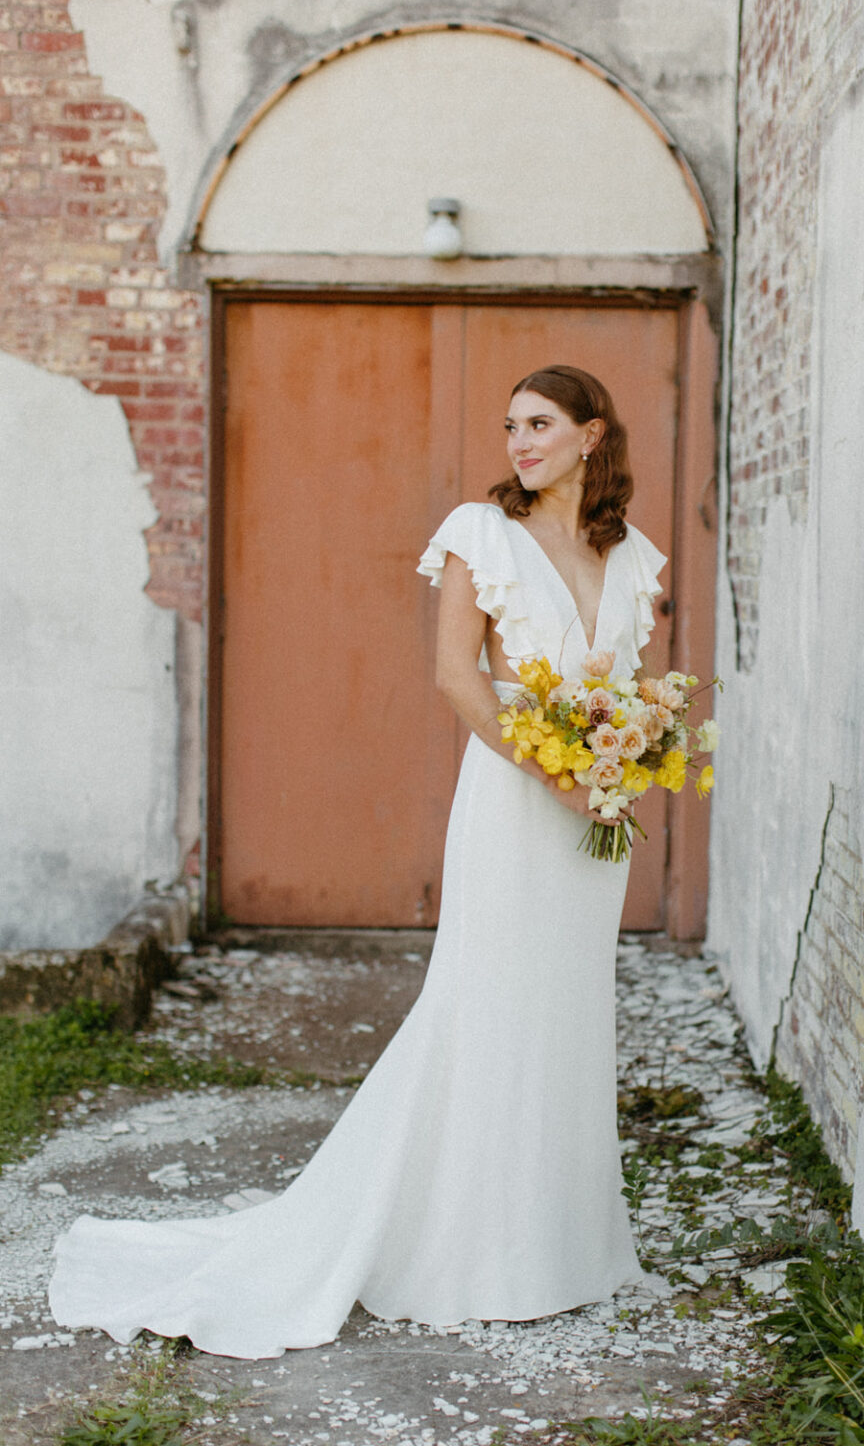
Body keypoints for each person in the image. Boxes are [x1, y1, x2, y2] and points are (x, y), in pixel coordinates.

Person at [48, 364, 667, 1361]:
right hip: (514, 805)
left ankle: (561, 1248)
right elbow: (455, 677)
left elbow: (629, 690)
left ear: (594, 435)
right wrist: (542, 766)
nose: (520, 442)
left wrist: (623, 760)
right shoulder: (481, 533)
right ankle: (469, 1252)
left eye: (541, 424)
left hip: (591, 821)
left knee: (568, 1009)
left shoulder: (633, 555)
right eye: (510, 425)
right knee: (488, 1001)